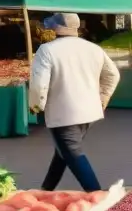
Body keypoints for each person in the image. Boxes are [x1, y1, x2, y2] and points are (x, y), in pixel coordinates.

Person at [28, 13, 120, 192]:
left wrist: (36, 106)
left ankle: (98, 195)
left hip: (63, 113)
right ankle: (45, 190)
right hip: (90, 111)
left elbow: (39, 85)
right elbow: (113, 74)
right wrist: (103, 97)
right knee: (63, 152)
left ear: (56, 28)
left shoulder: (47, 50)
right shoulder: (93, 48)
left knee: (72, 153)